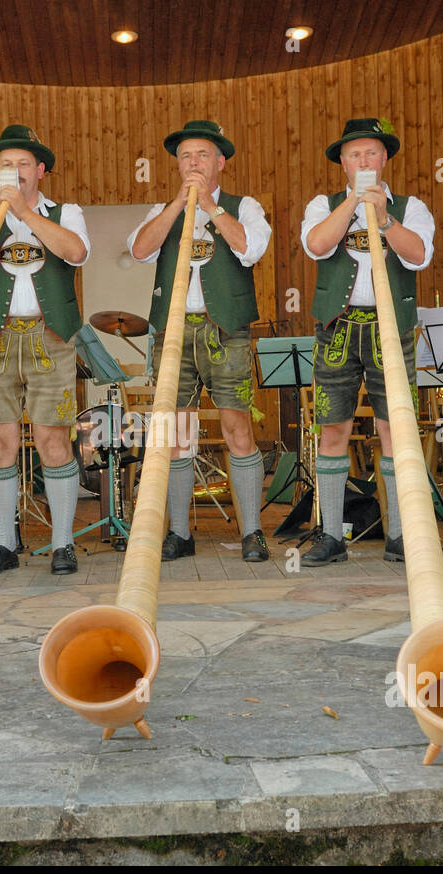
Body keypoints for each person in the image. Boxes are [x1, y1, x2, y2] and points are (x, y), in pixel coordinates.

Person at [127, 120, 273, 562]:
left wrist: (209, 206)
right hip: (172, 332)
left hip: (225, 330)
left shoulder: (243, 206)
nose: (193, 162)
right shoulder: (162, 208)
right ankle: (179, 533)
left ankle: (252, 532)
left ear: (220, 162)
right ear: (177, 164)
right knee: (176, 433)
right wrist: (178, 204)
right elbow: (138, 250)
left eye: (202, 155)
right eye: (186, 156)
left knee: (238, 428)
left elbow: (251, 249)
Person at [0, 124, 90, 575]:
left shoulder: (65, 212)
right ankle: (4, 546)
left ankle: (62, 544)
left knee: (54, 439)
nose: (15, 171)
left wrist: (25, 214)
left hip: (51, 336)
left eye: (24, 164)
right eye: (7, 164)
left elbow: (76, 252)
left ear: (41, 170)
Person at [299, 117, 435, 565]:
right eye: (354, 154)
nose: (363, 161)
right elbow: (317, 246)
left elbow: (418, 256)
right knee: (332, 428)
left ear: (385, 159)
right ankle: (331, 534)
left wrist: (383, 218)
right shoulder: (325, 202)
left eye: (371, 153)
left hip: (390, 327)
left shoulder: (411, 206)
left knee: (393, 429)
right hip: (336, 327)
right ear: (342, 162)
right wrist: (353, 205)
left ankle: (400, 534)